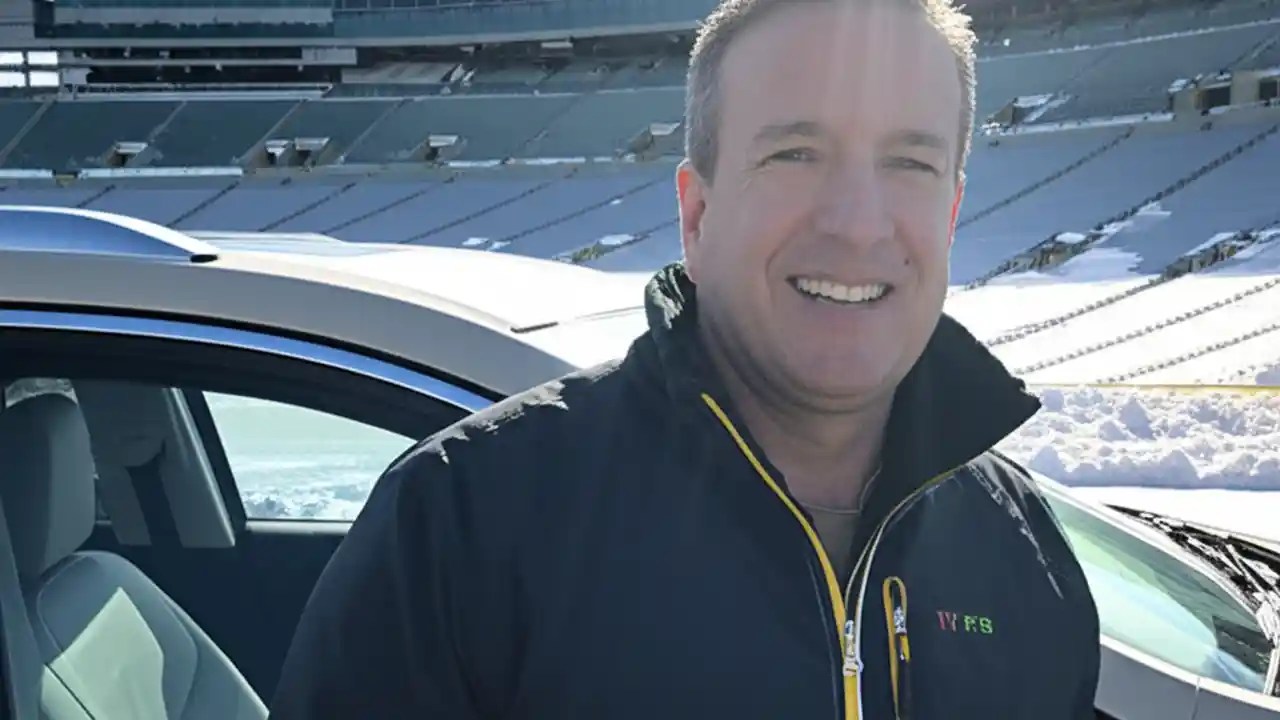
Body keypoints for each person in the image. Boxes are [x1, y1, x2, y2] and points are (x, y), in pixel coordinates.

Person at [268, 0, 1101, 717]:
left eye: (910, 163)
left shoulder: (1022, 554)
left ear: (951, 213)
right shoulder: (462, 527)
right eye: (794, 155)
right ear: (696, 216)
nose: (857, 223)